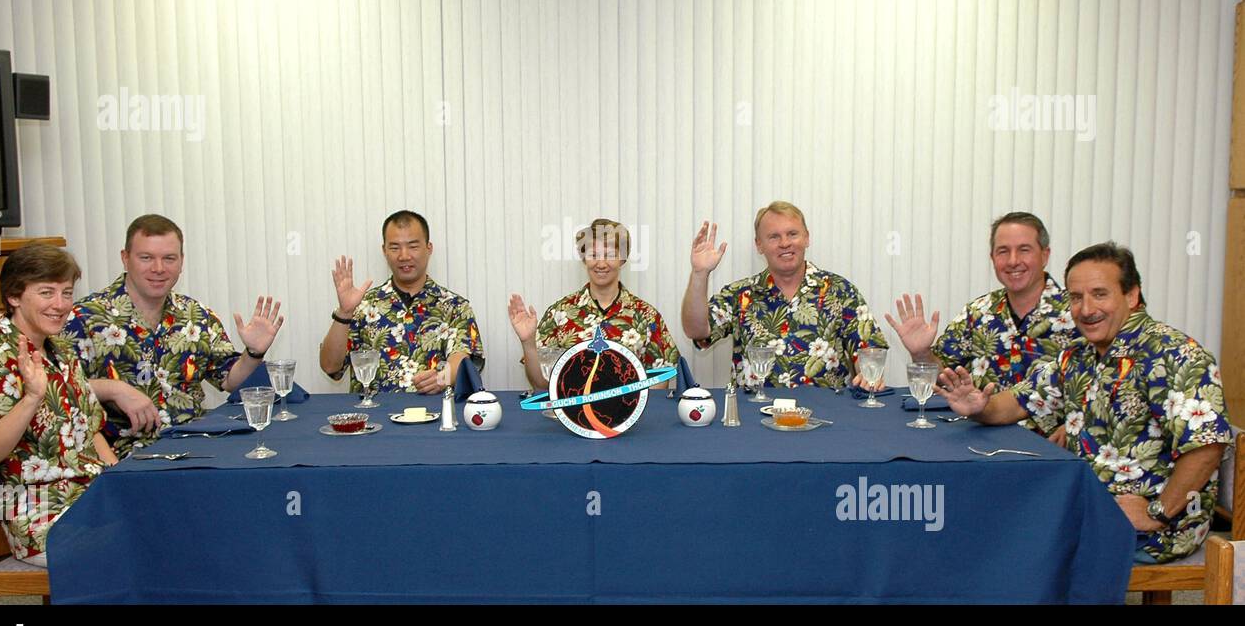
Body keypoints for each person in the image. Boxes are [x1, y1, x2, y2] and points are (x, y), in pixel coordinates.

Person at [937, 242, 1232, 563]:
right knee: (982, 517)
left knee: (1012, 547)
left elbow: (1207, 447)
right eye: (1076, 298)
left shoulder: (1175, 354)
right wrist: (979, 406)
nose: (1086, 309)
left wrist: (1158, 510)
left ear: (1132, 295)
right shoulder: (1077, 357)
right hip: (1087, 499)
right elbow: (1016, 403)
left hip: (1159, 521)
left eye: (1100, 294)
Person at [64, 214, 284, 456]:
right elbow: (59, 388)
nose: (158, 268)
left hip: (197, 451)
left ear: (181, 262)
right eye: (146, 258)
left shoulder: (197, 316)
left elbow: (229, 381)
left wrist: (254, 353)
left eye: (169, 258)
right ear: (125, 259)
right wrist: (114, 389)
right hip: (123, 457)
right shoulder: (84, 318)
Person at [0, 243, 117, 566]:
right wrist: (31, 398)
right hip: (44, 518)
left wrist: (120, 479)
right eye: (47, 293)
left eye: (67, 293)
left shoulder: (62, 351)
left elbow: (92, 431)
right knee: (148, 544)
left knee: (172, 519)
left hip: (92, 499)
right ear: (14, 296)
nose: (60, 305)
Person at [885, 212, 1079, 430]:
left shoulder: (1078, 313)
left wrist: (1074, 428)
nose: (1013, 261)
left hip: (1051, 450)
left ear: (1045, 255)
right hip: (982, 439)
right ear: (992, 259)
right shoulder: (978, 313)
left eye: (1024, 250)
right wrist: (921, 353)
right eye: (1003, 251)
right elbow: (945, 379)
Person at [681, 201, 887, 389]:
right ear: (759, 245)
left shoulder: (840, 291)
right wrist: (700, 274)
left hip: (826, 420)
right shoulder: (739, 295)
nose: (785, 243)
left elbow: (870, 350)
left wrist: (868, 376)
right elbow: (697, 331)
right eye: (774, 237)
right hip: (752, 420)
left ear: (807, 238)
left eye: (792, 234)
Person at [319, 210, 484, 393]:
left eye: (413, 246)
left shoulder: (455, 306)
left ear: (428, 249)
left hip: (435, 415)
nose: (404, 256)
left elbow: (463, 358)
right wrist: (344, 313)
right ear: (384, 251)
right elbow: (330, 367)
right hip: (374, 417)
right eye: (395, 247)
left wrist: (443, 377)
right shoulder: (362, 305)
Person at [509, 218, 679, 390]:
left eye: (610, 255)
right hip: (571, 414)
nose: (601, 263)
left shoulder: (647, 316)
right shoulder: (559, 313)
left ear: (623, 259)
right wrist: (528, 342)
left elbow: (660, 381)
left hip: (629, 414)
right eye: (594, 255)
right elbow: (540, 384)